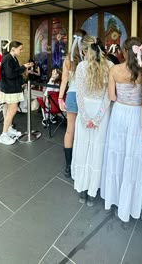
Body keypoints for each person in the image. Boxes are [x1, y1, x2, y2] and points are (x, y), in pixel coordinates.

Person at [101, 37, 142, 222]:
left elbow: (112, 96)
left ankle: (114, 195)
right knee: (133, 155)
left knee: (116, 152)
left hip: (120, 112)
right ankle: (131, 200)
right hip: (138, 114)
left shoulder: (115, 69)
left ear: (123, 51)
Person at [71, 35, 113, 206]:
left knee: (83, 148)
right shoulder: (110, 66)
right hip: (101, 114)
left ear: (85, 50)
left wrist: (86, 117)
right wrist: (97, 118)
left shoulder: (81, 66)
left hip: (85, 110)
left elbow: (79, 95)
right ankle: (93, 190)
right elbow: (108, 97)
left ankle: (82, 188)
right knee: (97, 150)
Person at [58, 30, 86, 178]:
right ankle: (81, 162)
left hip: (71, 95)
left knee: (70, 130)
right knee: (84, 131)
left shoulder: (68, 60)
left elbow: (64, 81)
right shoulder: (87, 59)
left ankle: (68, 166)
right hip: (86, 97)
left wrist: (60, 98)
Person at [0, 41, 33, 145]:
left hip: (13, 88)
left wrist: (22, 81)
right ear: (13, 48)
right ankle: (4, 135)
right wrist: (23, 67)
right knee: (12, 110)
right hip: (10, 89)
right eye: (20, 49)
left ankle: (8, 129)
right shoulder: (8, 58)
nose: (21, 51)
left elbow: (15, 72)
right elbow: (10, 74)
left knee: (11, 110)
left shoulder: (12, 58)